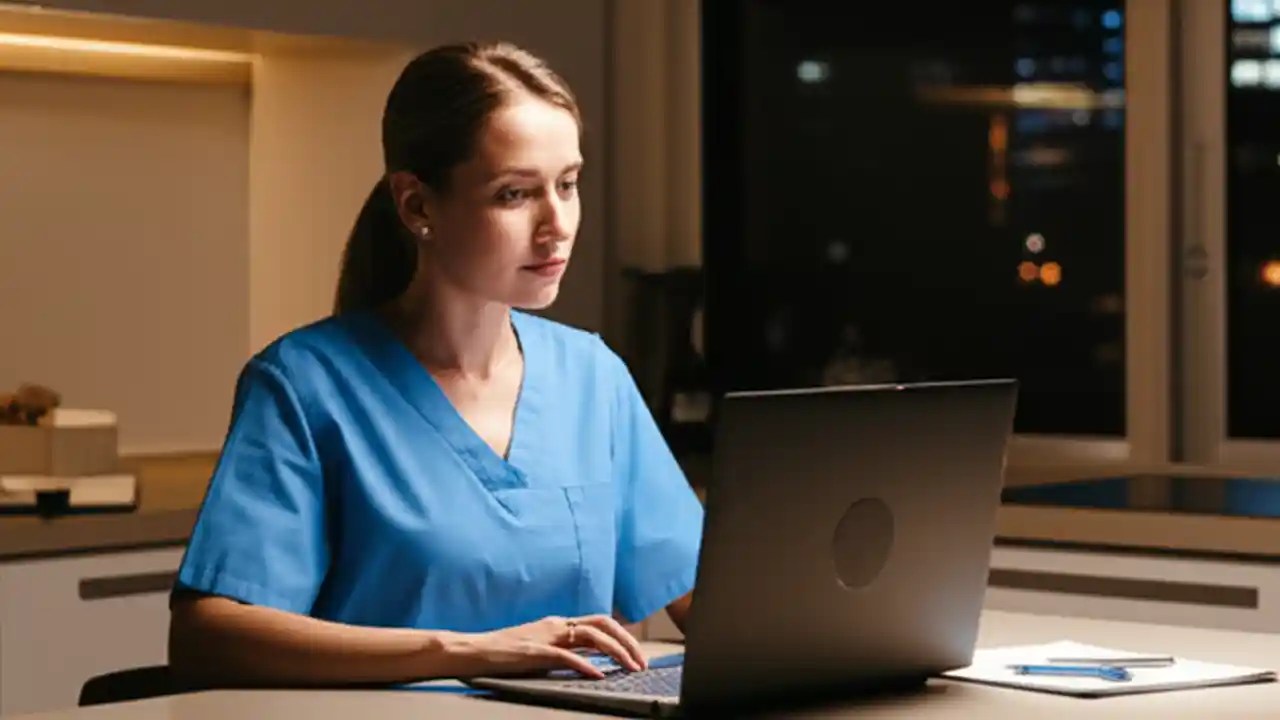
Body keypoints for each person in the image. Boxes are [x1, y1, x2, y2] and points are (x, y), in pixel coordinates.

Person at [168, 41, 703, 689]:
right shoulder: (304, 385)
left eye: (568, 184)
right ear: (418, 206)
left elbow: (702, 599)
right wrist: (469, 652)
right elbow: (210, 635)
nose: (556, 224)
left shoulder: (592, 377)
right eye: (514, 194)